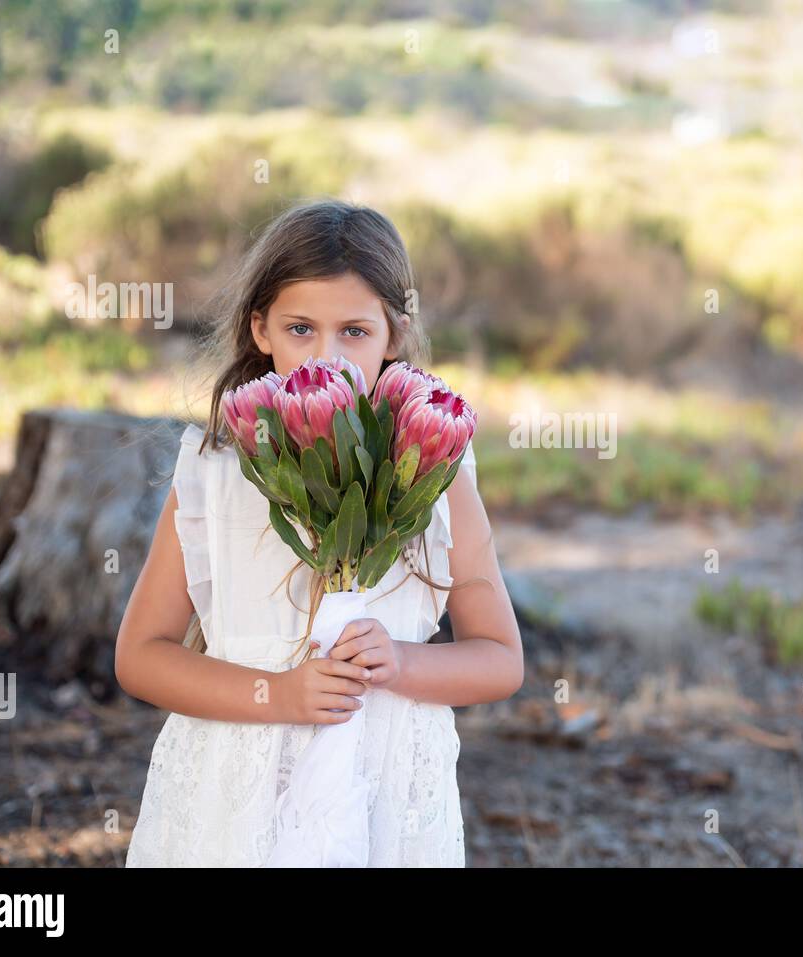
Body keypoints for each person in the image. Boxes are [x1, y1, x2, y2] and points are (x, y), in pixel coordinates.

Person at [116, 199, 523, 866]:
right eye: (300, 327)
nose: (326, 356)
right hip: (234, 809)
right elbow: (140, 655)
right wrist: (276, 694)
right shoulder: (216, 475)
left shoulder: (440, 472)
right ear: (261, 330)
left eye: (354, 331)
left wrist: (403, 662)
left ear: (394, 334)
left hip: (382, 803)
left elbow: (501, 657)